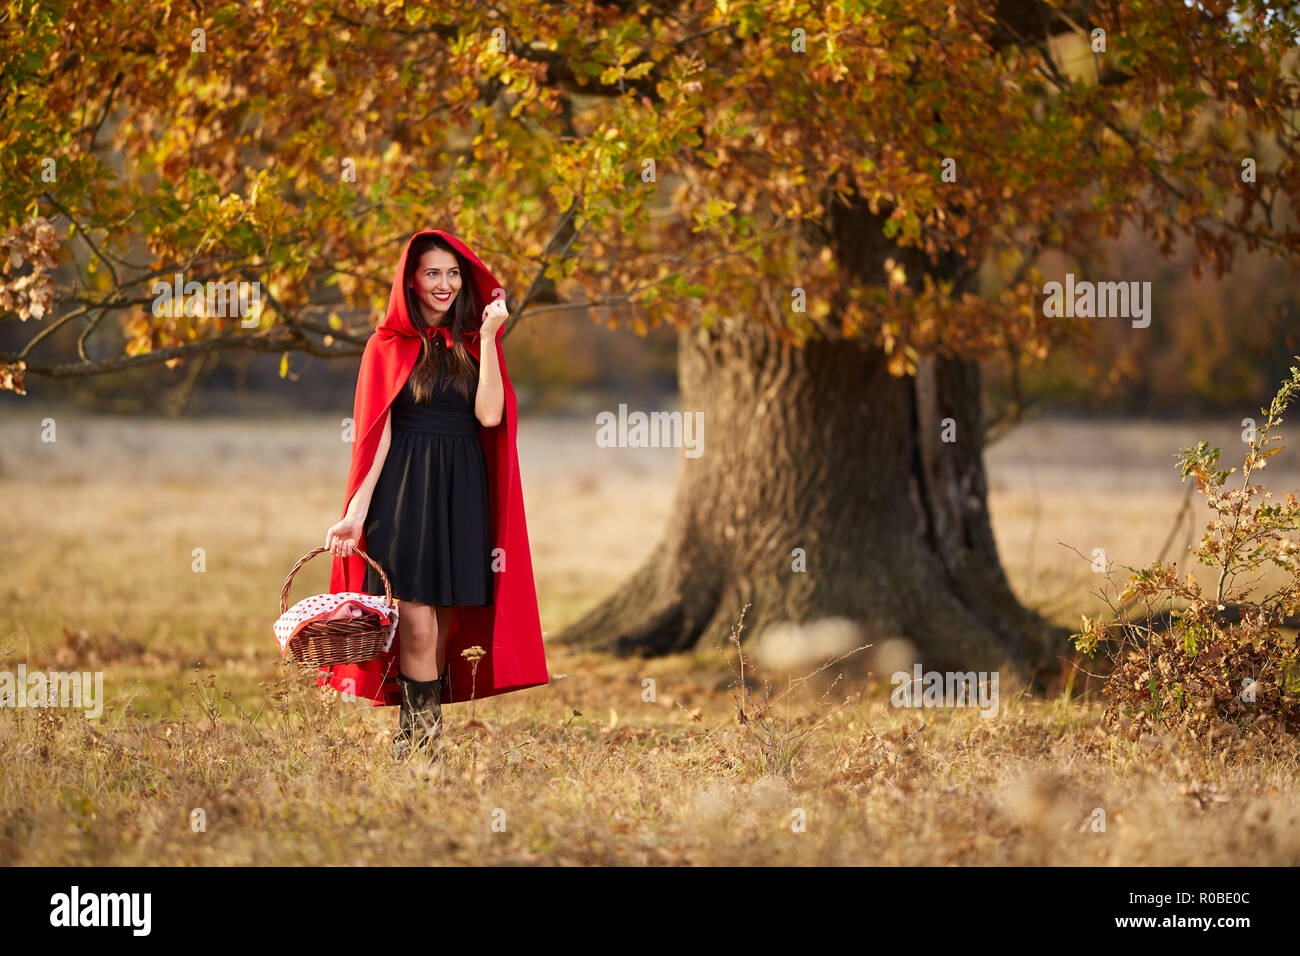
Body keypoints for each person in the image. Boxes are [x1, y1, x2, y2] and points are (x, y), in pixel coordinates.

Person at [320, 230, 548, 759]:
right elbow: (377, 436)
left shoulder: (475, 343)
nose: (443, 284)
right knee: (416, 624)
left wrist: (490, 338)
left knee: (442, 628)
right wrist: (355, 513)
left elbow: (490, 415)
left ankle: (412, 735)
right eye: (431, 273)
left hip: (462, 493)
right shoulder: (386, 346)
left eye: (452, 273)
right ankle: (425, 749)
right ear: (411, 280)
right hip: (405, 493)